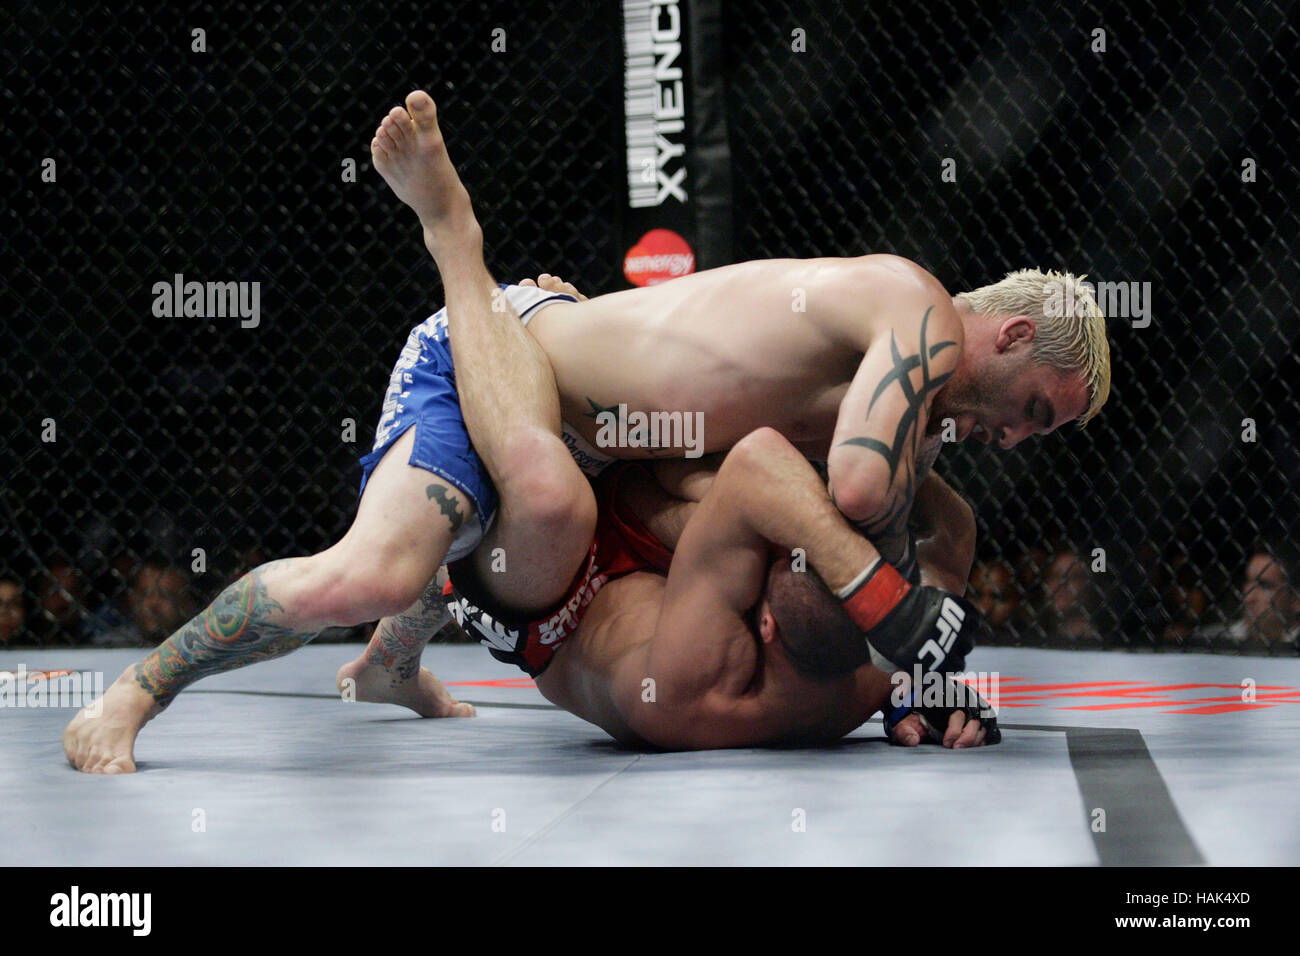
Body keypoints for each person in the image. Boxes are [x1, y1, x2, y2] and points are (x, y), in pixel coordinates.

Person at [65, 90, 1100, 772]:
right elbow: (862, 499)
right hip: (493, 356)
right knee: (423, 550)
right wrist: (892, 604)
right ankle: (451, 236)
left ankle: (396, 653)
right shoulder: (911, 315)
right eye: (1034, 412)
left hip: (592, 439)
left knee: (574, 508)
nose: (1015, 438)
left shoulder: (906, 433)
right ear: (1010, 334)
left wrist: (926, 687)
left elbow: (809, 482)